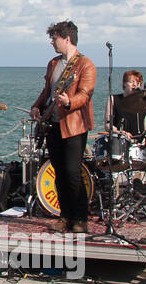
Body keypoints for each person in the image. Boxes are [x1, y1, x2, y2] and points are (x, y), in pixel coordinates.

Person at [29, 21, 96, 233]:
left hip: (74, 126)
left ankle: (81, 218)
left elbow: (85, 94)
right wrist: (36, 106)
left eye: (54, 38)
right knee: (58, 171)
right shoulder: (54, 63)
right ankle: (65, 216)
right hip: (53, 124)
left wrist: (69, 102)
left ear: (67, 39)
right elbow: (47, 90)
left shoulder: (86, 64)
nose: (51, 42)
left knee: (73, 172)